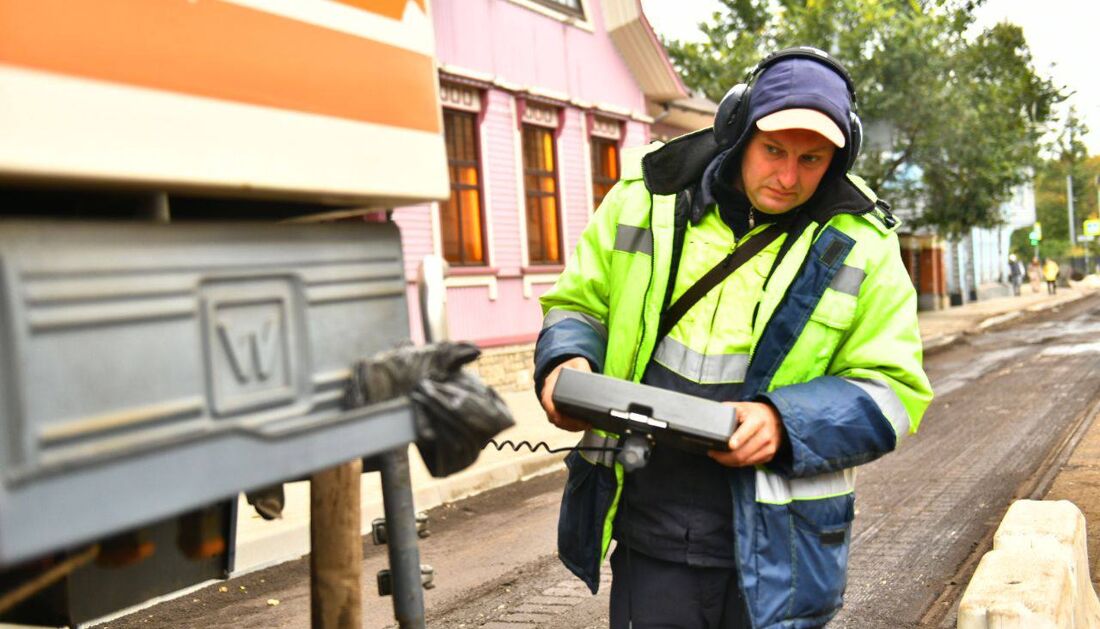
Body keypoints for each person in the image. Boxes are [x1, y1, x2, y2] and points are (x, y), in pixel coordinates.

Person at [534, 47, 933, 628]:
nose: (789, 176)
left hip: (779, 556)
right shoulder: (645, 199)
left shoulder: (863, 244)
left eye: (812, 159)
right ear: (738, 129)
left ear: (839, 159)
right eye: (773, 150)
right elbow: (579, 305)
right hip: (654, 536)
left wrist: (783, 422)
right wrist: (567, 362)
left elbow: (894, 390)